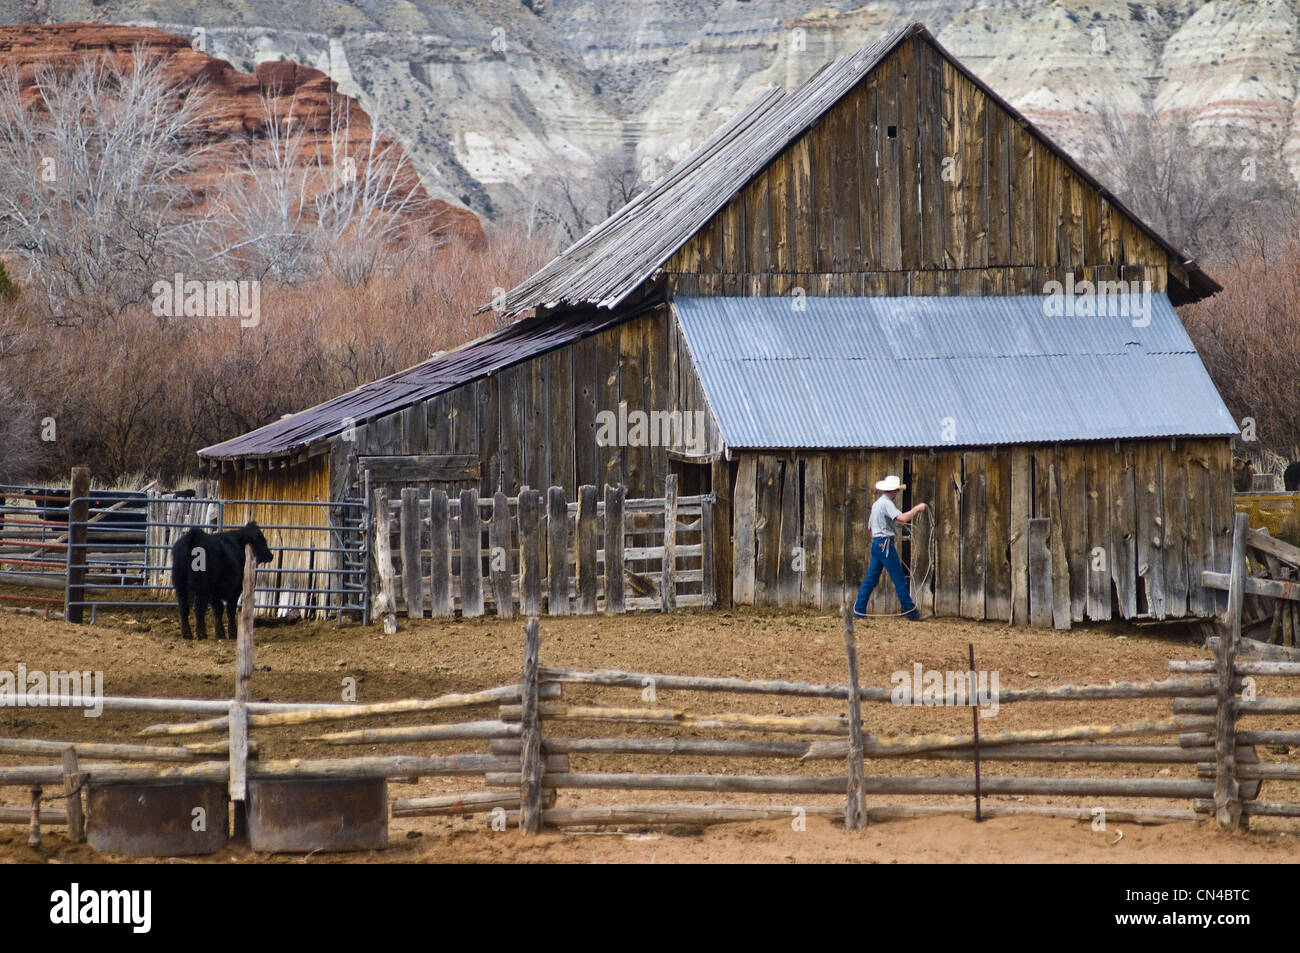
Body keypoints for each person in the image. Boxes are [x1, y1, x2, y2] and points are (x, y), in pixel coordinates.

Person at [853, 474, 926, 621]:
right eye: (897, 490)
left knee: (871, 580)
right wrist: (918, 508)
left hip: (877, 544)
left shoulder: (876, 504)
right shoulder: (887, 504)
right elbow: (903, 519)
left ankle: (859, 611)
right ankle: (912, 613)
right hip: (885, 545)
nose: (898, 493)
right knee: (899, 578)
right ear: (893, 490)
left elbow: (869, 526)